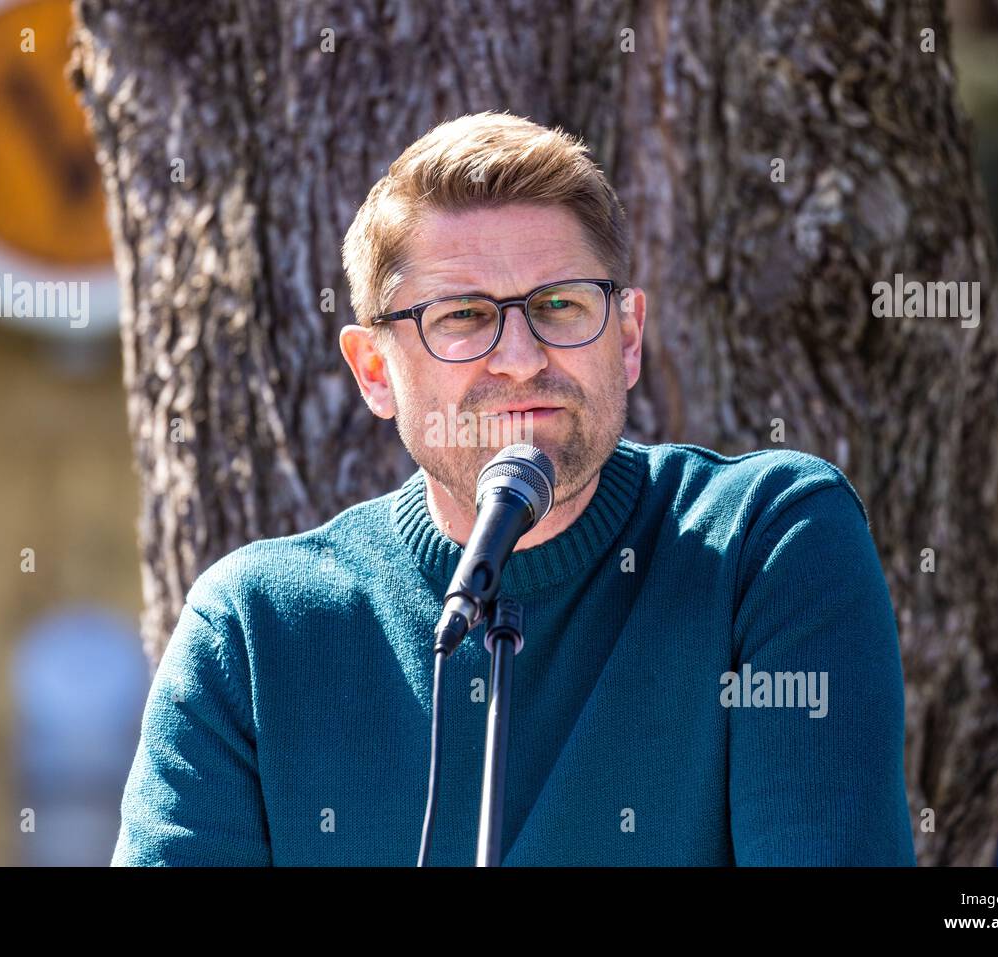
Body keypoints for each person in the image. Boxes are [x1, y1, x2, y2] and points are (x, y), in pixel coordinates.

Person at [111, 111, 917, 866]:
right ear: (374, 371)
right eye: (463, 316)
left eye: (560, 305)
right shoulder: (255, 629)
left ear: (627, 339)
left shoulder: (765, 545)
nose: (523, 356)